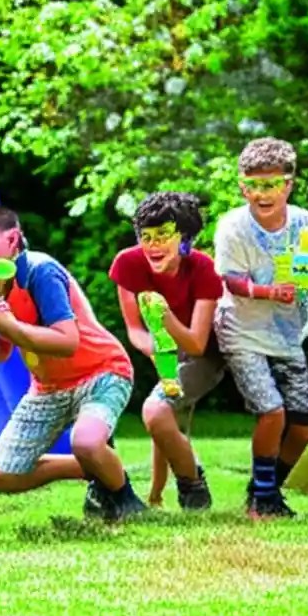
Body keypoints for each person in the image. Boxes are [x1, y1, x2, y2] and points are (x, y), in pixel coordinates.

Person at [0, 203, 147, 521]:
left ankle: (127, 504)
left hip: (101, 372)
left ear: (13, 240)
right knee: (2, 475)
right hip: (48, 387)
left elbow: (67, 341)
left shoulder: (40, 271)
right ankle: (96, 468)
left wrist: (11, 326)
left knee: (84, 441)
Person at [214, 138, 308, 519]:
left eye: (273, 184)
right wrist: (268, 291)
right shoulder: (233, 227)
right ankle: (262, 498)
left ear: (288, 185)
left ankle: (266, 491)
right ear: (243, 186)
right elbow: (230, 279)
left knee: (305, 423)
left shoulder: (304, 221)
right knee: (272, 411)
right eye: (255, 185)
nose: (264, 194)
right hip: (241, 332)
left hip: (288, 335)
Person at [108, 192, 222, 510]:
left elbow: (197, 343)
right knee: (163, 419)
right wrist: (158, 352)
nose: (153, 246)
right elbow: (135, 330)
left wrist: (166, 319)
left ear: (184, 239)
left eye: (163, 237)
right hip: (166, 351)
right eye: (146, 237)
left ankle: (192, 484)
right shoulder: (128, 264)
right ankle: (156, 496)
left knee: (156, 411)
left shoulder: (203, 269)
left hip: (206, 357)